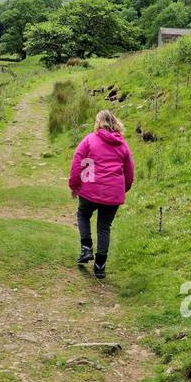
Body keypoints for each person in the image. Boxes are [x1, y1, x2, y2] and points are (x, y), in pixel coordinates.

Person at [67, 109, 134, 279]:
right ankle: (100, 266)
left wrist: (74, 185)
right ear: (115, 123)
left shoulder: (90, 140)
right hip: (113, 195)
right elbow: (129, 171)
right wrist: (121, 189)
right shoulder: (123, 145)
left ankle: (86, 248)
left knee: (83, 214)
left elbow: (78, 162)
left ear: (98, 122)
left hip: (90, 190)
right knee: (104, 227)